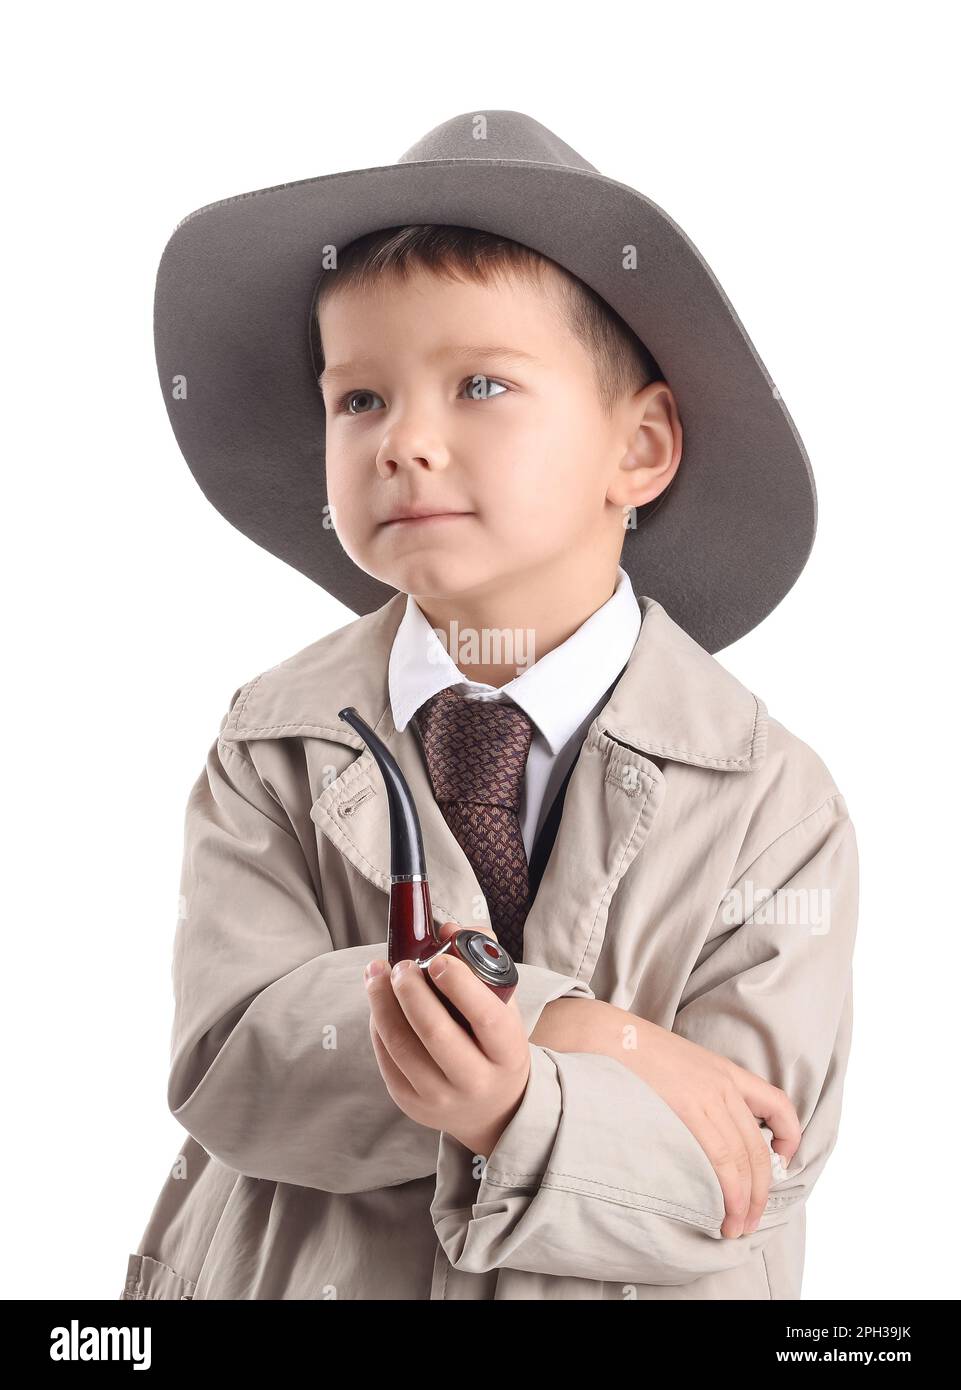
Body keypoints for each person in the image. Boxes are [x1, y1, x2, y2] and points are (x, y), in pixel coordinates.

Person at [122, 110, 859, 1301]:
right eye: (357, 399)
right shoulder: (274, 744)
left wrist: (516, 1104)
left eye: (478, 385)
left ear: (642, 445)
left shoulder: (771, 800)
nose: (405, 441)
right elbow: (235, 1050)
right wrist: (567, 1025)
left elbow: (739, 1164)